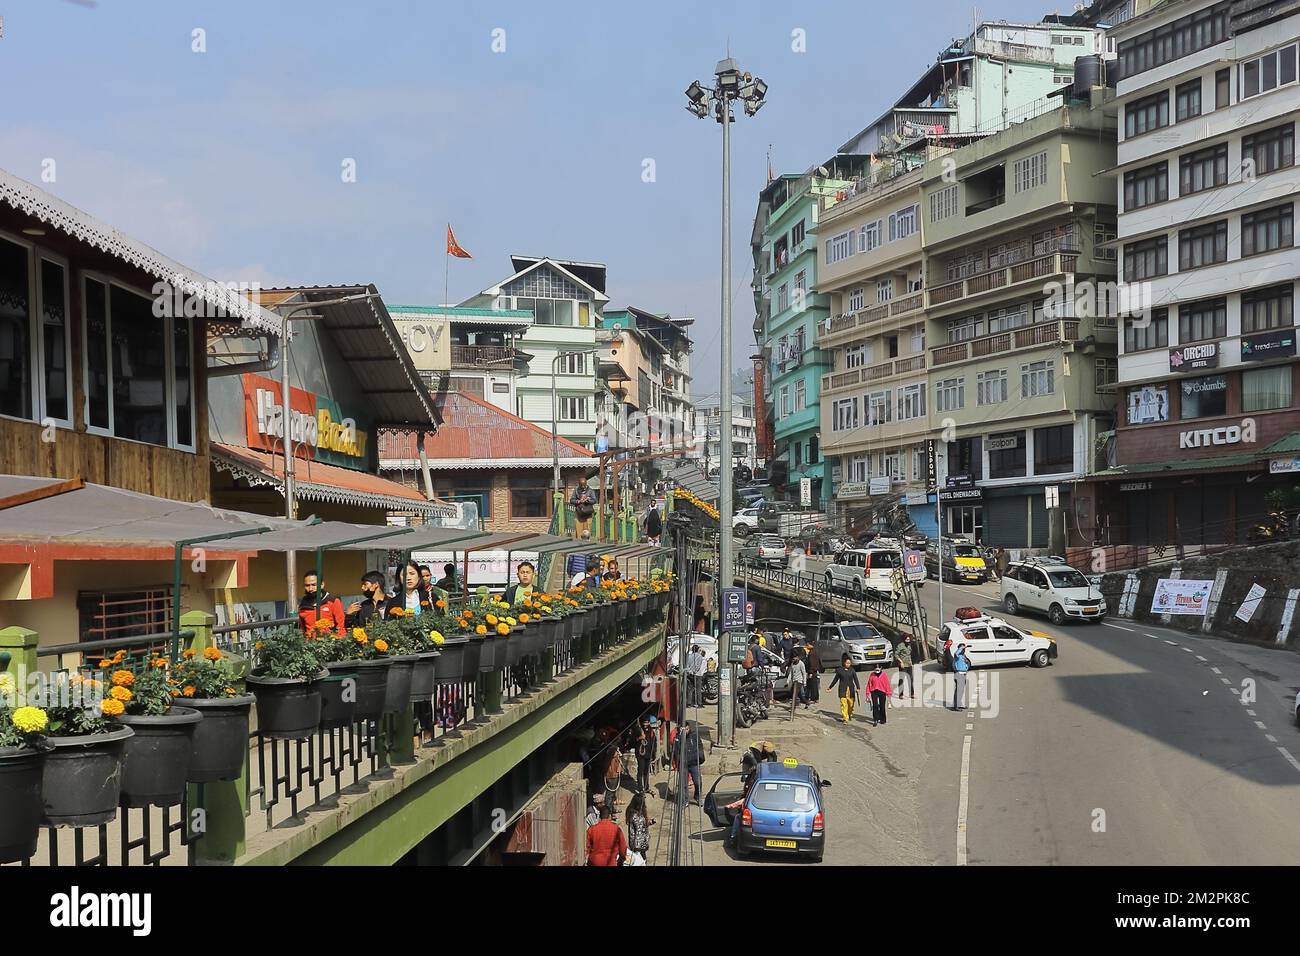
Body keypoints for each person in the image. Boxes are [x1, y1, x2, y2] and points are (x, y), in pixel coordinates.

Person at [298, 571, 346, 637]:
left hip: (330, 643)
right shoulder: (303, 606)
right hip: (310, 644)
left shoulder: (333, 601)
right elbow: (303, 630)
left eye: (314, 585)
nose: (310, 589)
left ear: (322, 584)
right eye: (307, 585)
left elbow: (341, 627)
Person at [674, 721, 703, 804]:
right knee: (683, 784)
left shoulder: (694, 736)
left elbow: (700, 745)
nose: (685, 731)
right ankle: (685, 800)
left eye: (687, 729)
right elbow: (676, 751)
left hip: (694, 762)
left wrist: (699, 755)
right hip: (683, 764)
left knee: (698, 781)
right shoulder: (677, 738)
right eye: (684, 730)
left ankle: (697, 796)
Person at [827, 654, 861, 724]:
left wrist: (858, 687)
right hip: (842, 690)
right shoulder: (840, 670)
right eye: (847, 663)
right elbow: (835, 680)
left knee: (851, 704)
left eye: (849, 663)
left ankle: (849, 713)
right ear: (844, 663)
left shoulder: (852, 670)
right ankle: (845, 718)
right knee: (843, 704)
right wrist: (830, 687)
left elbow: (856, 679)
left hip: (850, 690)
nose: (848, 664)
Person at [625, 792, 654, 865]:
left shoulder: (633, 813)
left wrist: (650, 822)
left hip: (637, 843)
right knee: (641, 861)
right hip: (638, 844)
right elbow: (640, 828)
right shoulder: (636, 816)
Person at [634, 716, 657, 793]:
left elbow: (654, 741)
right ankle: (640, 788)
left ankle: (646, 787)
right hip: (641, 754)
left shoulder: (651, 731)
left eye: (647, 722)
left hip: (648, 753)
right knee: (641, 771)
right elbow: (633, 740)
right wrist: (640, 737)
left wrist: (653, 753)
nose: (645, 724)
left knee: (646, 772)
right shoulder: (638, 730)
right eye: (644, 722)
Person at [787, 653, 806, 720]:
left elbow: (804, 673)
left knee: (795, 695)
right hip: (794, 681)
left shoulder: (801, 664)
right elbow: (791, 673)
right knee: (796, 695)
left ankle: (793, 708)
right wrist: (788, 681)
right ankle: (805, 702)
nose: (793, 659)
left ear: (798, 657)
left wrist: (804, 682)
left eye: (794, 658)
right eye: (792, 658)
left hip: (799, 681)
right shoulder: (793, 664)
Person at [894, 633, 914, 699]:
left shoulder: (909, 645)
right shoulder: (900, 646)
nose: (908, 640)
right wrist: (901, 662)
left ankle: (912, 694)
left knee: (910, 679)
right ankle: (901, 694)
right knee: (901, 680)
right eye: (906, 639)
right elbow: (896, 655)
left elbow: (909, 654)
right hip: (903, 665)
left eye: (909, 639)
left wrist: (911, 662)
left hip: (909, 664)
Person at [952, 642, 971, 710]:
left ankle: (959, 704)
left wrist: (967, 664)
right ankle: (956, 706)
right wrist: (961, 647)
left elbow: (967, 663)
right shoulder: (957, 655)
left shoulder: (963, 656)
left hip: (963, 674)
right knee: (958, 690)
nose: (964, 649)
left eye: (964, 649)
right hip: (958, 674)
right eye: (963, 648)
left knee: (961, 690)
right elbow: (956, 653)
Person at [804, 641, 822, 706]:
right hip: (815, 671)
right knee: (814, 685)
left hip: (812, 671)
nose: (807, 646)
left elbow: (812, 663)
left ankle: (813, 698)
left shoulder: (812, 653)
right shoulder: (815, 652)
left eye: (808, 645)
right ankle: (815, 698)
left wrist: (811, 672)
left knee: (812, 685)